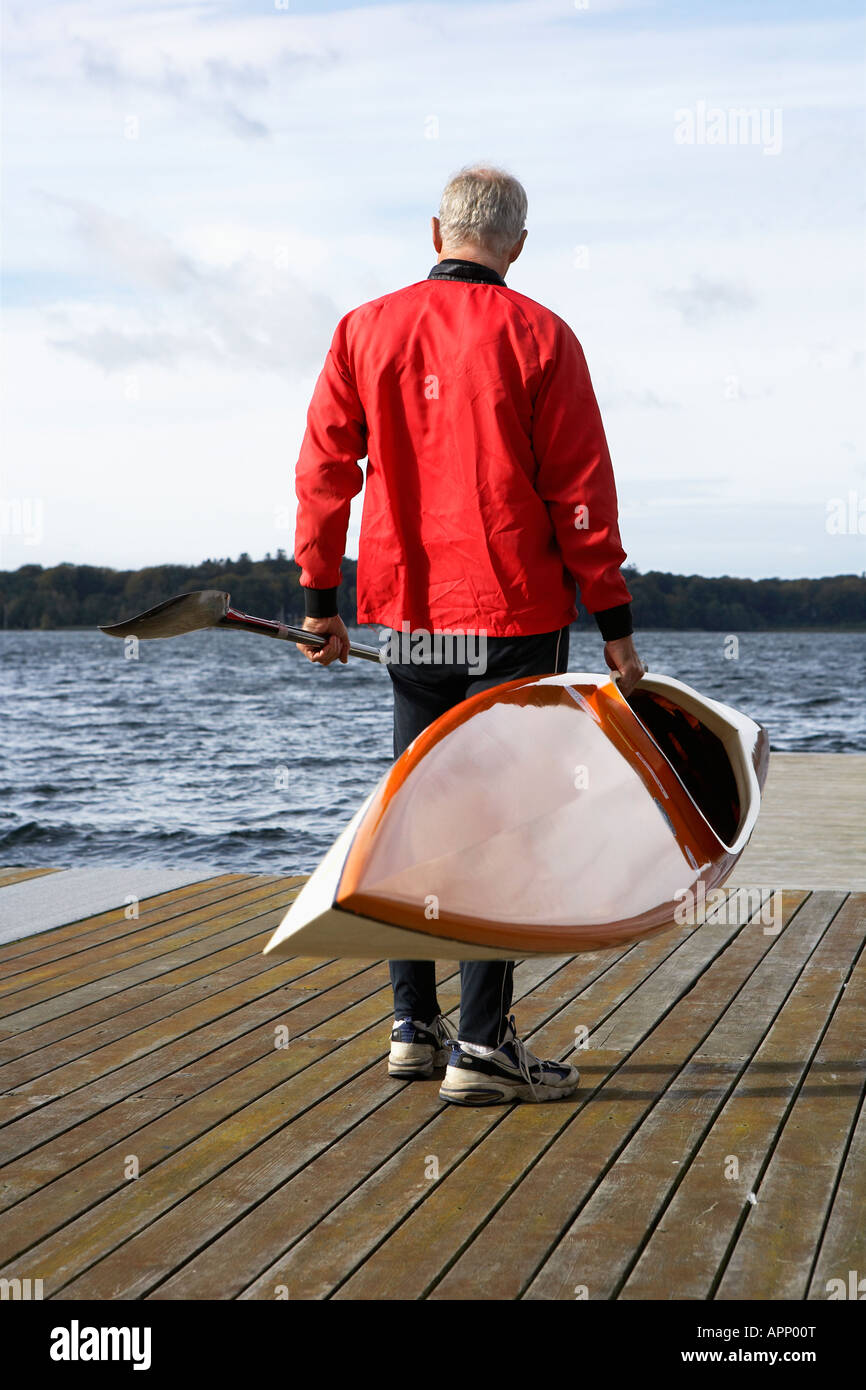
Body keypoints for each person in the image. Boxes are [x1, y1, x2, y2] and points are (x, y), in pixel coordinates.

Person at [292, 165, 645, 1105]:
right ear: (517, 246)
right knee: (503, 823)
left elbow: (326, 473)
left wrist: (322, 600)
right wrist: (614, 623)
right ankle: (482, 1049)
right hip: (517, 619)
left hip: (410, 618)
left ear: (436, 229)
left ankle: (415, 1023)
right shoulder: (543, 337)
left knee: (417, 812)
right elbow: (581, 502)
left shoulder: (363, 329)